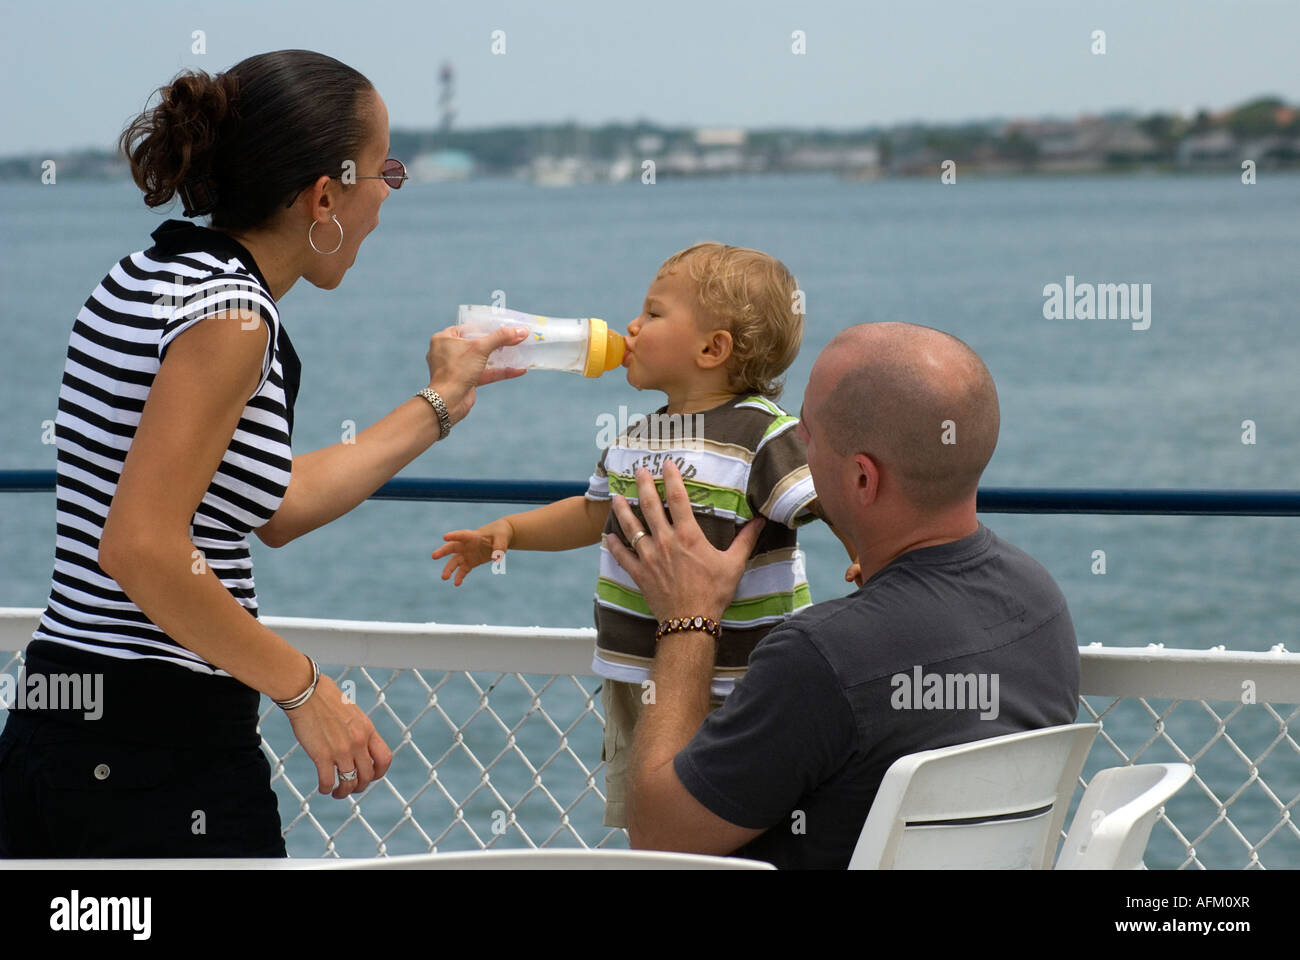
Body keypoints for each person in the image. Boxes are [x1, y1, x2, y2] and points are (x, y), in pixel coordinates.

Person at [0, 50, 528, 858]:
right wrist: (304, 688)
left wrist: (440, 404)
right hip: (156, 743)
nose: (389, 197)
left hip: (59, 711)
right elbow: (141, 545)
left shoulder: (147, 275)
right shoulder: (233, 318)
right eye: (385, 172)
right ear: (325, 195)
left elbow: (266, 509)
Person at [603, 322, 1081, 869]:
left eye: (806, 431)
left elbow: (660, 837)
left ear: (862, 479)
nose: (796, 443)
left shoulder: (820, 657)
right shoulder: (1040, 602)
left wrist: (687, 619)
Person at [431, 242, 856, 827]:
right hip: (639, 674)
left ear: (713, 348)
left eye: (653, 314)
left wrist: (868, 561)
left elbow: (828, 501)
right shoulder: (635, 436)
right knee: (652, 817)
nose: (631, 326)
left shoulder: (762, 433)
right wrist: (506, 531)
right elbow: (590, 513)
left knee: (743, 817)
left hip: (743, 682)